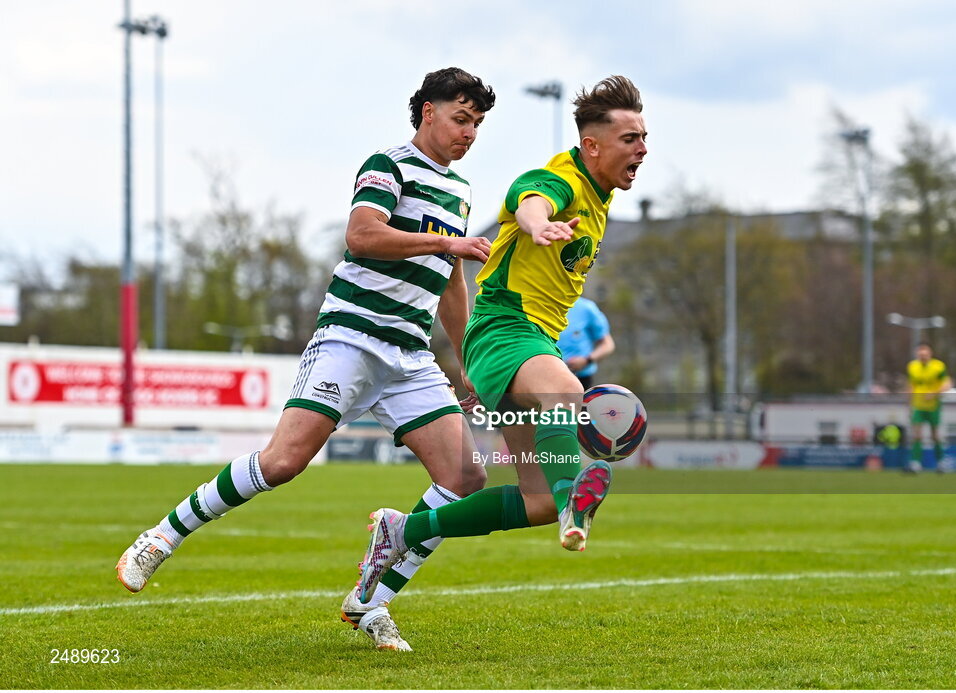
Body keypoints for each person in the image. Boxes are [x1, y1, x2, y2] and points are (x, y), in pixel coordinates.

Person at [115, 67, 496, 652]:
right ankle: (160, 537)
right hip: (350, 336)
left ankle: (373, 600)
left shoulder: (462, 190)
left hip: (409, 353)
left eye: (478, 123)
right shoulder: (387, 165)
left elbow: (450, 282)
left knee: (465, 476)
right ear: (427, 112)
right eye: (461, 118)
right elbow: (363, 236)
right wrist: (446, 242)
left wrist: (467, 357)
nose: (470, 132)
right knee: (284, 462)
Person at [355, 75, 647, 605]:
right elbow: (531, 196)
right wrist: (536, 224)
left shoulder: (602, 200)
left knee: (532, 502)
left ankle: (402, 531)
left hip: (532, 342)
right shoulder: (563, 177)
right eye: (631, 139)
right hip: (504, 329)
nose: (643, 149)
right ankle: (574, 503)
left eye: (644, 138)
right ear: (592, 145)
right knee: (565, 394)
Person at [906, 342, 952, 473]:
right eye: (920, 354)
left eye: (925, 354)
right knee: (917, 434)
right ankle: (916, 464)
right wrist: (909, 405)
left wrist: (934, 393)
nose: (923, 357)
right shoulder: (912, 367)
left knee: (935, 435)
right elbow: (911, 386)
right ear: (917, 354)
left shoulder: (938, 367)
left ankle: (941, 462)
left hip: (933, 406)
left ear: (930, 354)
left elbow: (947, 384)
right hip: (918, 405)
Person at [557, 295, 615, 389]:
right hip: (547, 377)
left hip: (581, 379)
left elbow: (607, 344)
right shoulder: (540, 305)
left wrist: (587, 360)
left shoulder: (586, 308)